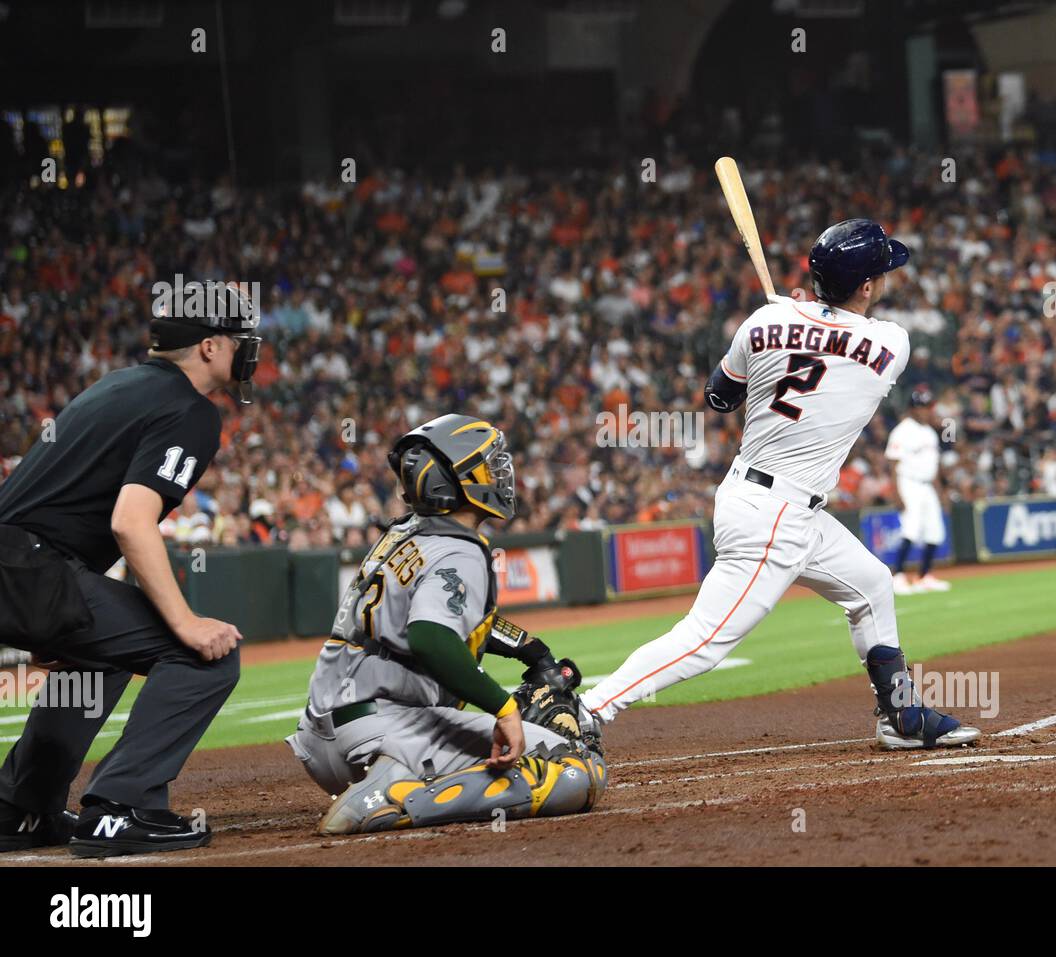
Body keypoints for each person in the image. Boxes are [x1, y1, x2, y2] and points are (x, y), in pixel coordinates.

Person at [579, 220, 980, 750]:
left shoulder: (764, 320)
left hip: (781, 505)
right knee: (705, 640)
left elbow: (720, 397)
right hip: (773, 515)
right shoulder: (892, 342)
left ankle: (899, 716)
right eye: (880, 273)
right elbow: (837, 340)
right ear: (864, 286)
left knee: (873, 585)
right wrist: (809, 321)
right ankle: (585, 710)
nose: (884, 281)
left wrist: (783, 322)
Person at [0, 289, 261, 856]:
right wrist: (186, 621)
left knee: (103, 657)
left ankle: (21, 808)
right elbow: (131, 523)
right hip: (33, 570)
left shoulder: (117, 384)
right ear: (211, 346)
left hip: (23, 566)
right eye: (240, 342)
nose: (248, 352)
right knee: (202, 656)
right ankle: (122, 807)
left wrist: (50, 618)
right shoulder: (191, 409)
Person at [287, 414, 605, 833]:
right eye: (489, 464)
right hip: (385, 728)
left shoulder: (404, 534)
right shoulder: (459, 551)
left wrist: (531, 649)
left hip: (325, 733)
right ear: (456, 481)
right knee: (577, 770)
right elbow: (431, 637)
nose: (500, 472)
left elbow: (437, 618)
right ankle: (396, 794)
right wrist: (503, 707)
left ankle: (396, 777)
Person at [886, 388, 952, 594]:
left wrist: (941, 493)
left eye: (928, 406)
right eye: (921, 406)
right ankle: (897, 576)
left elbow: (932, 468)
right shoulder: (902, 430)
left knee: (935, 532)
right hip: (909, 483)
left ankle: (924, 576)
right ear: (912, 409)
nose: (925, 411)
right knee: (911, 530)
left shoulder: (930, 433)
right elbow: (893, 465)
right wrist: (896, 493)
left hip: (927, 485)